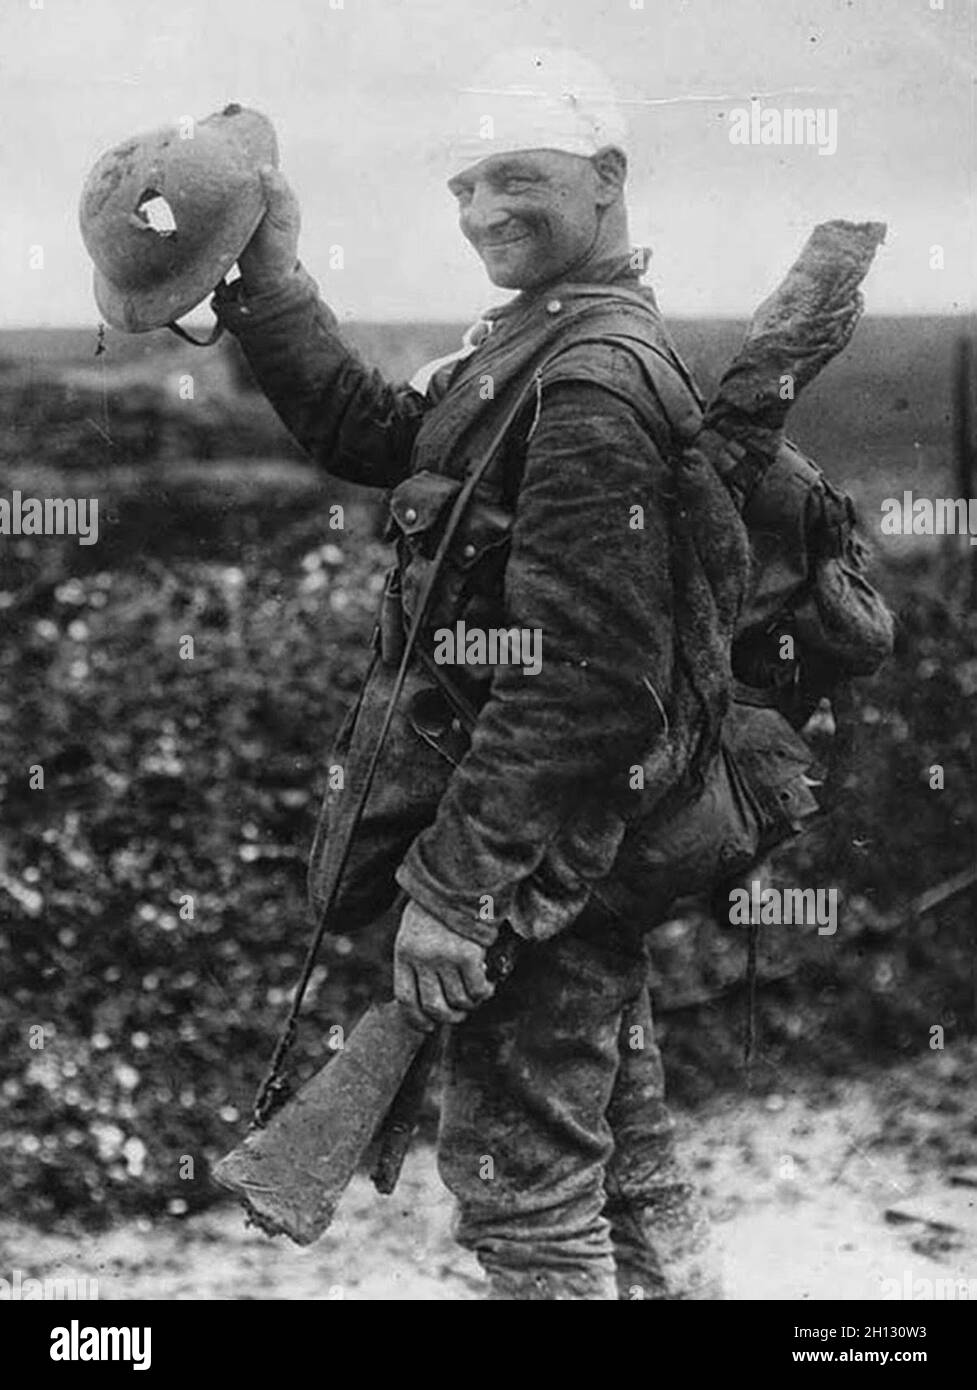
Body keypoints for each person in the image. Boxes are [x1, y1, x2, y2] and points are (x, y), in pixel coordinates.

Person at [212, 49, 889, 1299]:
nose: (478, 214)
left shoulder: (583, 384)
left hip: (542, 858)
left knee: (527, 1204)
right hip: (578, 848)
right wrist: (264, 276)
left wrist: (456, 892)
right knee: (622, 1164)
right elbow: (376, 431)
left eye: (514, 179)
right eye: (464, 187)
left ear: (605, 178)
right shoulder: (535, 347)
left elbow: (582, 678)